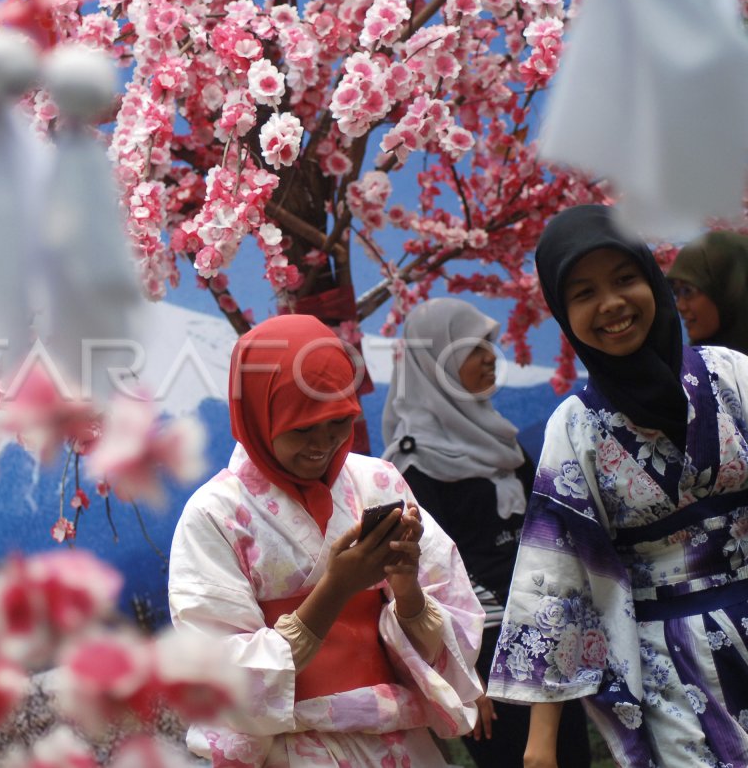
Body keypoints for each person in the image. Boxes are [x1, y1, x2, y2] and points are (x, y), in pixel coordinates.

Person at [487, 205, 748, 767]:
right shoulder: (575, 428)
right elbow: (555, 579)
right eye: (583, 293)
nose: (610, 304)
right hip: (672, 673)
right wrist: (540, 744)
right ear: (562, 311)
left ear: (652, 278)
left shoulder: (732, 374)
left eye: (625, 279)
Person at [168, 314, 485, 767]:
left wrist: (407, 587)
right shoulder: (214, 515)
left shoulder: (378, 481)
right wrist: (336, 588)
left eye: (338, 422)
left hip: (396, 743)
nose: (323, 444)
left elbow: (457, 623)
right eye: (301, 429)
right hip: (290, 748)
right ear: (257, 414)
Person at [381, 298, 592, 768]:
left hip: (544, 630)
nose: (490, 357)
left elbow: (545, 535)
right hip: (485, 652)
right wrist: (464, 678)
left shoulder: (502, 441)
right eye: (473, 348)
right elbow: (428, 577)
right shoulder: (412, 464)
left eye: (490, 345)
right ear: (436, 363)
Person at [666, 229, 748, 355]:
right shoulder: (696, 365)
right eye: (676, 292)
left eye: (687, 291)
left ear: (730, 289)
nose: (680, 306)